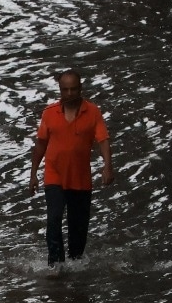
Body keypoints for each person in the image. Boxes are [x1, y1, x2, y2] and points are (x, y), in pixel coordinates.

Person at [29, 70, 113, 266]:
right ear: (60, 90)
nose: (69, 94)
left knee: (78, 229)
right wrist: (33, 174)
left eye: (73, 89)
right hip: (54, 176)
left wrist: (108, 166)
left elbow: (103, 140)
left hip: (81, 179)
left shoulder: (92, 112)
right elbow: (40, 144)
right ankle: (55, 265)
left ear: (80, 89)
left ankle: (75, 266)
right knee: (54, 219)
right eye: (64, 90)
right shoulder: (49, 113)